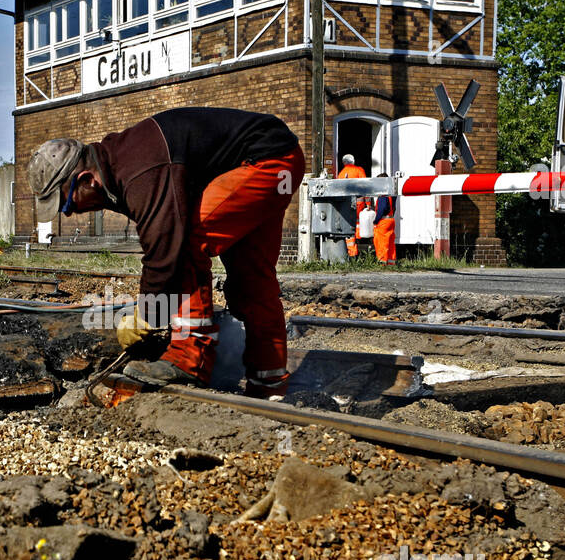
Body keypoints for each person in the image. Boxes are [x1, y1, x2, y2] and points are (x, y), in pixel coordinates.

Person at [28, 107, 305, 398]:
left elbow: (165, 247)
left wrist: (147, 314)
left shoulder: (140, 172)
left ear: (87, 180)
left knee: (184, 240)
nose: (69, 214)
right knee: (252, 278)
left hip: (266, 162)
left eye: (66, 205)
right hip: (281, 161)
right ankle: (269, 385)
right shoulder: (115, 167)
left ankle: (189, 358)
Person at [336, 154, 372, 258]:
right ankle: (358, 246)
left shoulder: (341, 174)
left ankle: (352, 252)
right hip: (359, 203)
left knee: (348, 226)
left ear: (343, 163)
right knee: (358, 224)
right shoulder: (359, 170)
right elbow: (366, 188)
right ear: (353, 161)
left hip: (345, 205)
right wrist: (368, 204)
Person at [373, 193, 396, 265]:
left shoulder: (382, 196)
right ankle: (391, 262)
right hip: (391, 220)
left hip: (383, 222)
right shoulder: (392, 195)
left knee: (381, 242)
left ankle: (382, 262)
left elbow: (382, 209)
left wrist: (376, 220)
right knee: (390, 242)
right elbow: (394, 208)